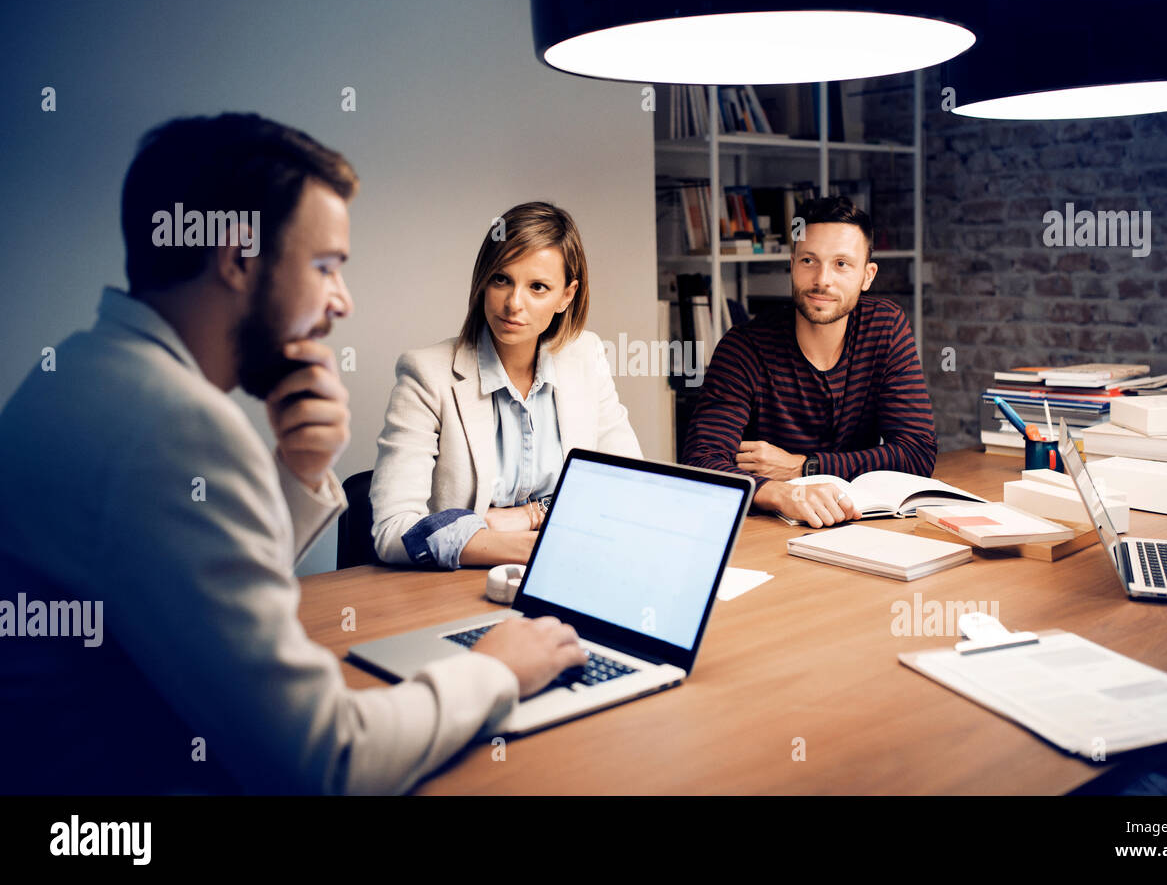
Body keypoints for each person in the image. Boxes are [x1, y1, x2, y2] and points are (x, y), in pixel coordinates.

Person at [0, 114, 587, 794]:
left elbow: (208, 601)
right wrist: (497, 669)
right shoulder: (176, 429)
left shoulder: (78, 372)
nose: (342, 300)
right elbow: (327, 762)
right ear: (237, 259)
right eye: (326, 266)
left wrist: (297, 474)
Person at [370, 202, 642, 568]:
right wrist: (533, 547)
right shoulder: (426, 374)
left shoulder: (585, 356)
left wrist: (531, 514)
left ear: (567, 295)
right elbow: (395, 532)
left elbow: (628, 488)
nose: (514, 303)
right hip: (457, 589)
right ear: (483, 281)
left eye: (538, 287)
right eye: (502, 279)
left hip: (573, 570)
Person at [682, 195, 938, 528]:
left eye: (841, 264)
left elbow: (916, 451)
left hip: (857, 525)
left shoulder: (884, 328)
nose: (823, 280)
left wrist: (803, 467)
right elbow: (702, 462)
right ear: (792, 264)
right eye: (808, 261)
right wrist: (781, 492)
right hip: (766, 535)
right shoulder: (743, 348)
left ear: (867, 275)